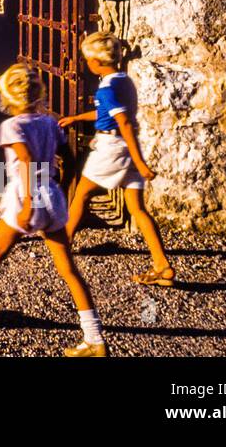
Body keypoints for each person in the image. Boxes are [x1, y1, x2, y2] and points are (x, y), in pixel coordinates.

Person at [0, 63, 108, 357]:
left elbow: (24, 160)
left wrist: (28, 204)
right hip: (51, 196)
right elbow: (69, 158)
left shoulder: (11, 126)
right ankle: (94, 337)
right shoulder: (49, 122)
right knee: (69, 269)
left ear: (7, 97)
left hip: (25, 198)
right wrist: (62, 187)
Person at [62, 31, 174, 287]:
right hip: (127, 146)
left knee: (82, 194)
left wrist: (142, 163)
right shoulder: (124, 81)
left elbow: (121, 121)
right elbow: (111, 114)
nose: (86, 64)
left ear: (96, 63)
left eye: (87, 60)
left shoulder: (106, 89)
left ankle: (64, 244)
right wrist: (78, 118)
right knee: (137, 208)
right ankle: (162, 265)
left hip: (111, 147)